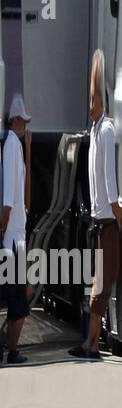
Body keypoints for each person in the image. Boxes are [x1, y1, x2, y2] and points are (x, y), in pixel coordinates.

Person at [71, 50, 122, 360]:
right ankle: (91, 343)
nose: (89, 106)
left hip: (102, 221)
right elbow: (109, 186)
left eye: (92, 99)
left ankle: (92, 341)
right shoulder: (99, 130)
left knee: (100, 284)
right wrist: (120, 218)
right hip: (104, 222)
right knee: (101, 286)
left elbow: (107, 183)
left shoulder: (103, 130)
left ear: (102, 99)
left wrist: (115, 215)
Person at [1, 94, 33, 365]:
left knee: (17, 297)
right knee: (18, 301)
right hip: (13, 238)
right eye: (23, 119)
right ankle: (11, 350)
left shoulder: (17, 146)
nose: (26, 125)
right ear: (17, 120)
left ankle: (10, 349)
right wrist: (3, 231)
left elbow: (23, 198)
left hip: (15, 235)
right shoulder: (12, 146)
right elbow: (9, 199)